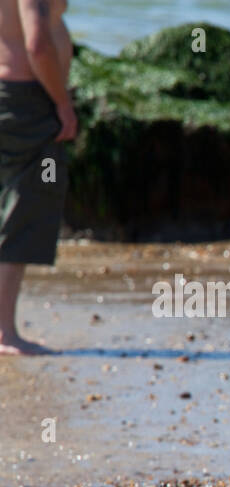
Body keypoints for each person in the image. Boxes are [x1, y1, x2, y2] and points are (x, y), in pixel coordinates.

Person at [0, 0, 75, 356]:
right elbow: (37, 44)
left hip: (8, 96)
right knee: (23, 209)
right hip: (27, 100)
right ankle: (4, 333)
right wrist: (61, 103)